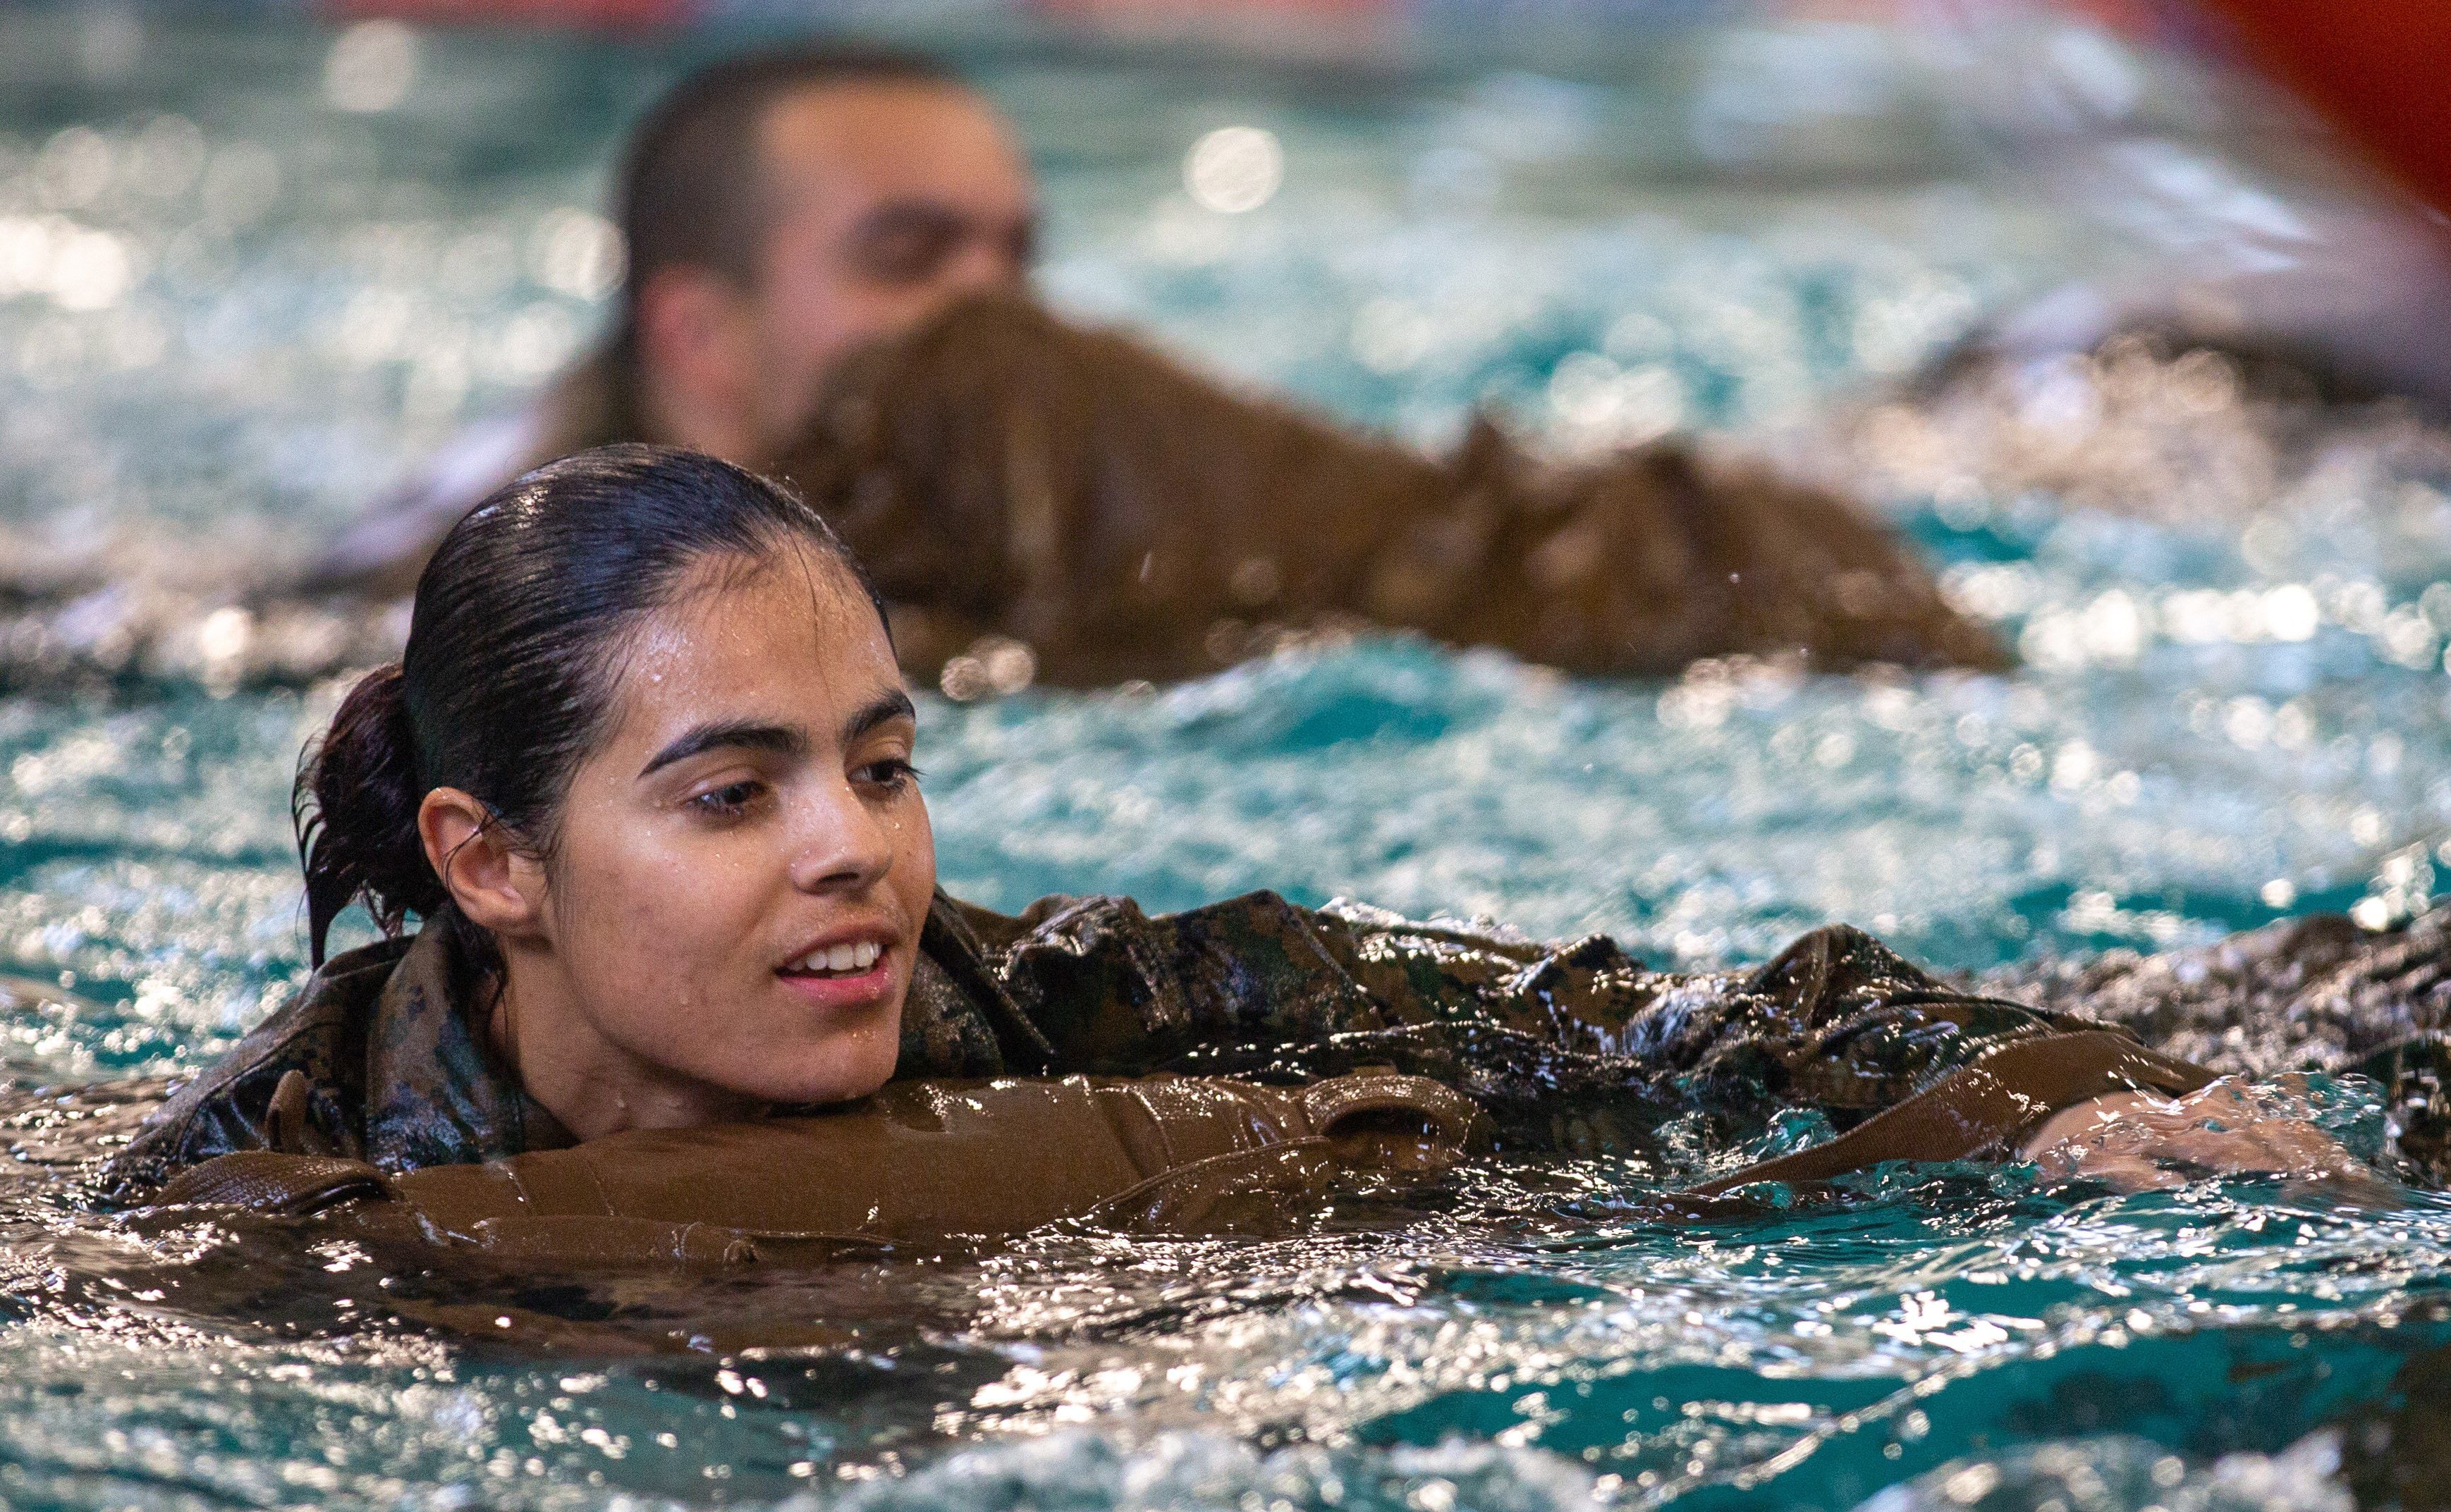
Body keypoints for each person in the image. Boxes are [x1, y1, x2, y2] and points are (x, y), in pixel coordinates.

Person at [109, 445, 2397, 1202]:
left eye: (884, 762)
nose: (856, 854)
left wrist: (2061, 1102)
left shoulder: (1076, 994)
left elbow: (1665, 1025)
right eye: (732, 790)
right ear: (487, 856)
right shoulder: (278, 1182)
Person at [295, 44, 2005, 691]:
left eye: (1015, 259)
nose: (999, 320)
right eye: (910, 260)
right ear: (699, 335)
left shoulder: (1051, 517)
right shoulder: (462, 600)